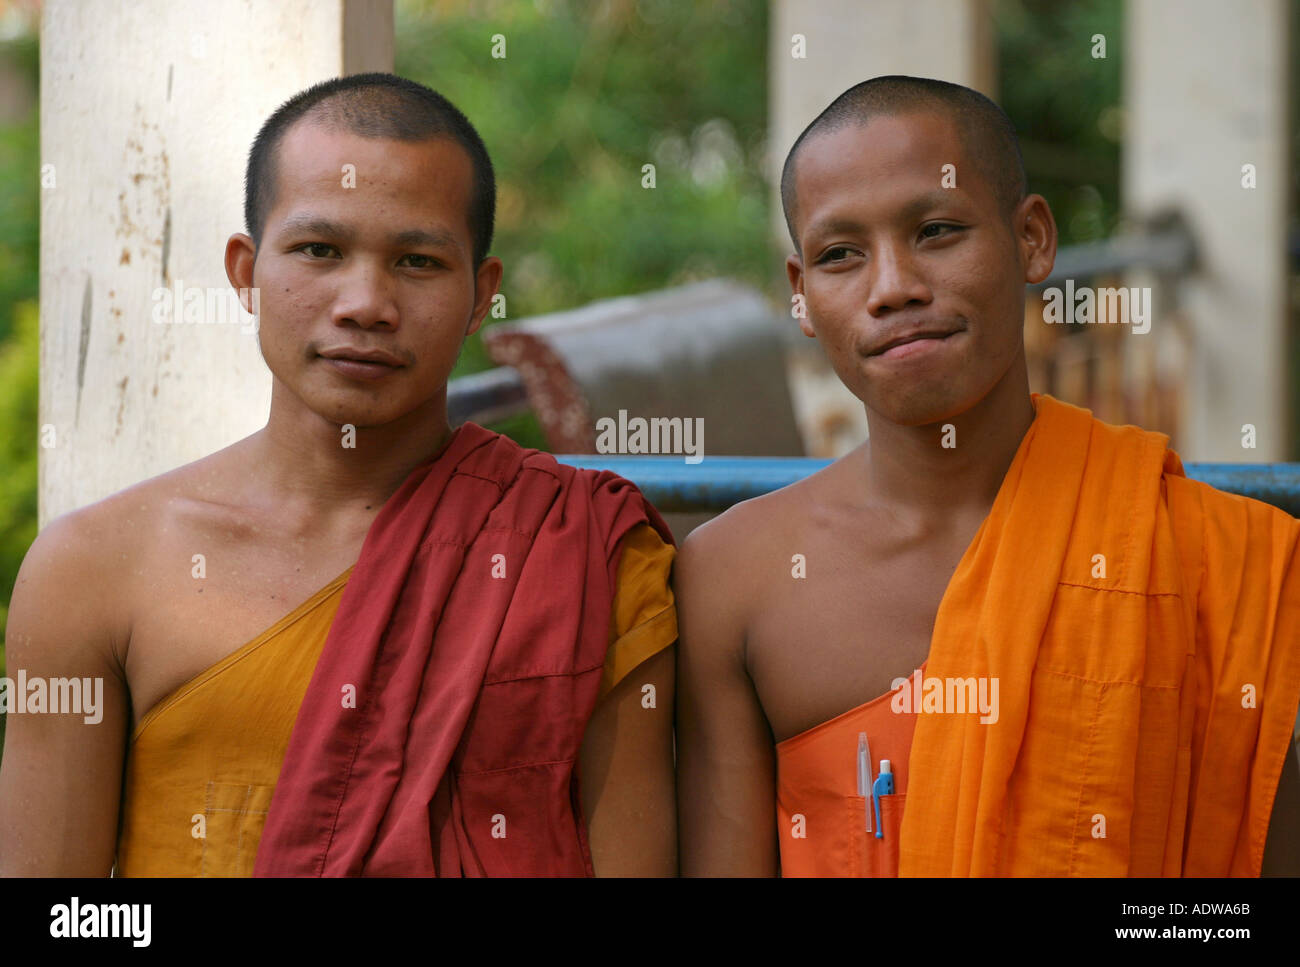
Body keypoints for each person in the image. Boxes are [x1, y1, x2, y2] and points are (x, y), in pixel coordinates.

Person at [0, 73, 677, 877]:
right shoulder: (95, 569)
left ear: (479, 295)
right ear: (245, 271)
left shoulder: (582, 552)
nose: (365, 303)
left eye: (418, 261)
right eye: (319, 250)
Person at [674, 75, 1300, 877]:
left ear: (1032, 238)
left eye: (936, 230)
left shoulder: (1210, 557)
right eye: (840, 255)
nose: (893, 286)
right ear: (801, 296)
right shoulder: (734, 576)